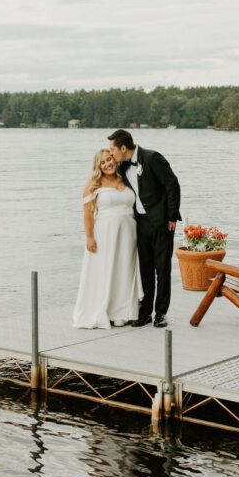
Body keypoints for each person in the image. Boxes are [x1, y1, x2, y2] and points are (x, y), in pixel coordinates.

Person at [107, 129, 181, 328]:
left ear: (123, 148)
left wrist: (172, 215)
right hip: (140, 223)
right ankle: (145, 312)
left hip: (162, 222)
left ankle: (161, 313)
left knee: (162, 269)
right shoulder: (122, 168)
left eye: (112, 149)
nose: (111, 154)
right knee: (145, 268)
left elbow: (172, 184)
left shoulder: (151, 157)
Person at [72, 148, 141, 329]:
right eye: (102, 162)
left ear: (114, 159)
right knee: (107, 269)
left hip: (129, 233)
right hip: (105, 233)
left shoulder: (125, 179)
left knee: (125, 269)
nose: (107, 164)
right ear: (98, 166)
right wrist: (89, 237)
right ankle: (108, 310)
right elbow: (87, 213)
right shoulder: (94, 183)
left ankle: (124, 311)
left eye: (109, 159)